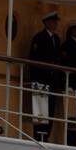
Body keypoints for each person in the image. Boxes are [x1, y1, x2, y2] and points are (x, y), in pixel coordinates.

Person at [27, 10, 60, 142]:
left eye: (56, 21)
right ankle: (39, 136)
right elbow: (34, 59)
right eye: (53, 21)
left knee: (50, 110)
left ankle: (46, 136)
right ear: (46, 22)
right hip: (41, 79)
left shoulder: (56, 39)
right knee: (40, 111)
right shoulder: (39, 38)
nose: (55, 24)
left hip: (52, 81)